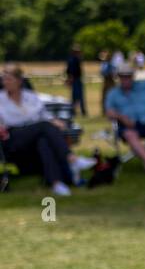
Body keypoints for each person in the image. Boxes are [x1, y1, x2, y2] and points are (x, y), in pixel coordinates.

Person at [1, 64, 79, 196]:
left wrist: (55, 121)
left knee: (43, 141)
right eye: (4, 79)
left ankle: (56, 183)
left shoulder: (30, 97)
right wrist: (35, 119)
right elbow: (12, 120)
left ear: (19, 81)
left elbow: (43, 114)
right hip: (11, 139)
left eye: (9, 79)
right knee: (44, 126)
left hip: (33, 135)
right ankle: (71, 159)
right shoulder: (1, 99)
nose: (6, 82)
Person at [105, 60, 145, 173]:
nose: (126, 79)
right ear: (118, 77)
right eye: (123, 77)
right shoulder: (113, 93)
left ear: (133, 76)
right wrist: (121, 117)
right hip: (129, 124)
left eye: (128, 76)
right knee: (130, 135)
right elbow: (109, 112)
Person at [65, 44, 85, 116]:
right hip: (76, 80)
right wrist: (70, 79)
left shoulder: (72, 59)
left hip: (75, 80)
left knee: (76, 97)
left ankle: (74, 112)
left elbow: (68, 71)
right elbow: (72, 71)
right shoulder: (74, 60)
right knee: (78, 97)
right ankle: (80, 112)